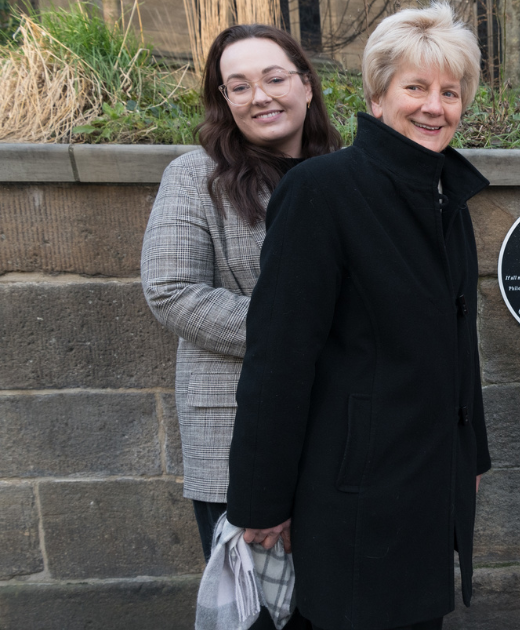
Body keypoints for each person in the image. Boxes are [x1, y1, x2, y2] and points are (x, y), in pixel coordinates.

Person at [224, 4, 491, 629]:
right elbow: (279, 355)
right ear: (377, 96)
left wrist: (469, 455)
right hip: (356, 491)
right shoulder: (322, 189)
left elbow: (459, 345)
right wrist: (260, 502)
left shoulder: (446, 194)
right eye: (416, 87)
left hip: (428, 482)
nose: (434, 106)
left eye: (449, 92)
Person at [140, 23, 339, 562]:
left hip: (338, 430)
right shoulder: (196, 177)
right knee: (254, 608)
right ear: (224, 100)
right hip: (235, 432)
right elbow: (172, 291)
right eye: (240, 86)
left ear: (305, 84)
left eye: (274, 78)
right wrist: (297, 332)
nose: (261, 97)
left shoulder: (345, 175)